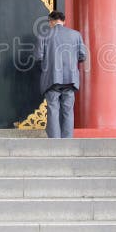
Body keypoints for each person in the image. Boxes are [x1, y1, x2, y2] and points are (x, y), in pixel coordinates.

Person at [34, 10, 87, 138]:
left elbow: (38, 56)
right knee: (68, 110)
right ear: (64, 21)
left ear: (51, 21)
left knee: (53, 109)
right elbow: (83, 55)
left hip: (51, 78)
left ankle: (55, 141)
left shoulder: (44, 35)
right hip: (70, 79)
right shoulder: (76, 35)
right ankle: (67, 140)